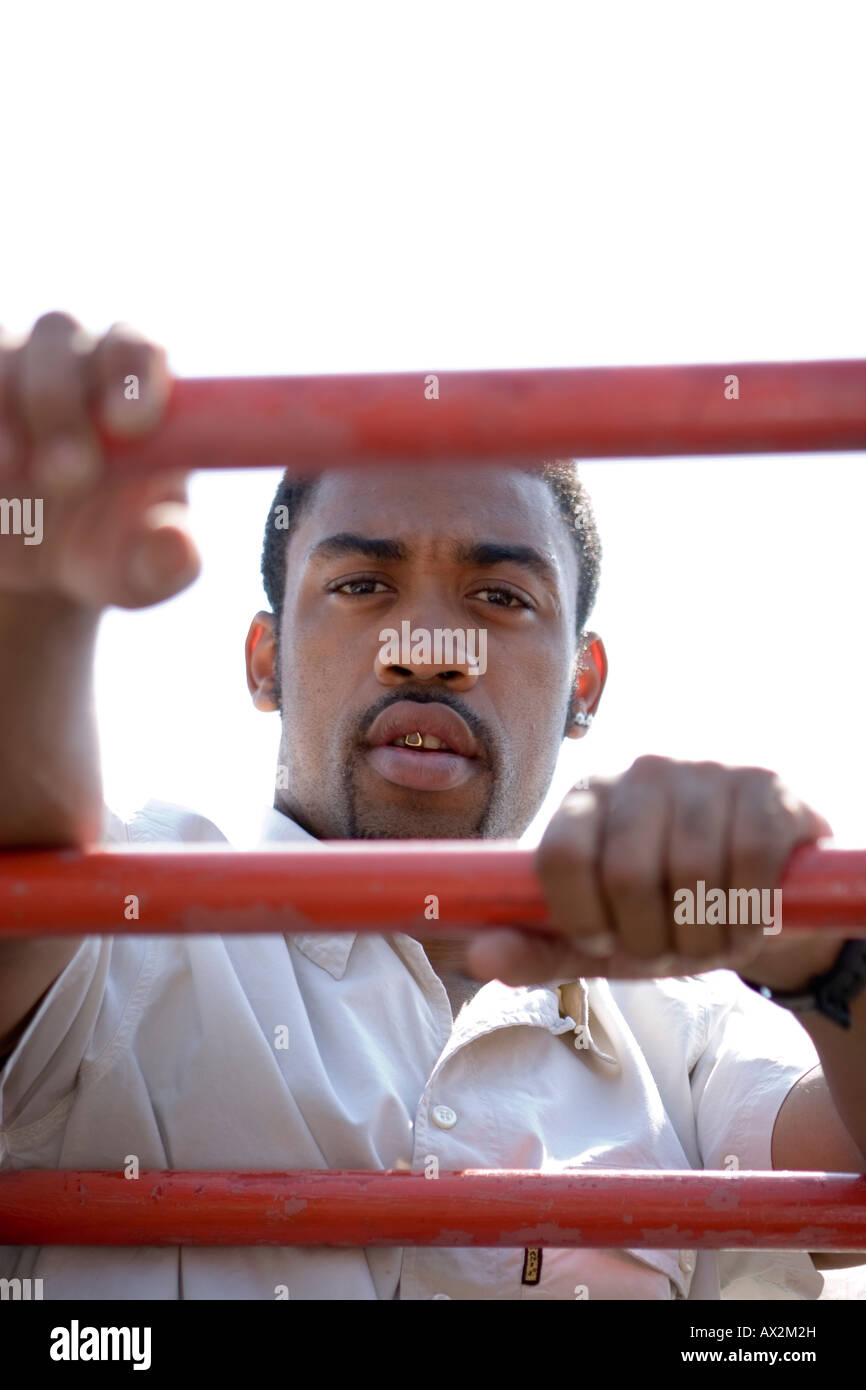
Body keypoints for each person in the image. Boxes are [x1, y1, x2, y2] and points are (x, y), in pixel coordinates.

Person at [0, 311, 864, 1301]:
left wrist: (819, 954)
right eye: (363, 584)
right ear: (262, 660)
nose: (429, 647)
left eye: (498, 598)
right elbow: (21, 865)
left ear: (584, 685)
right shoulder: (130, 910)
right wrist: (30, 605)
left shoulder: (688, 1024)